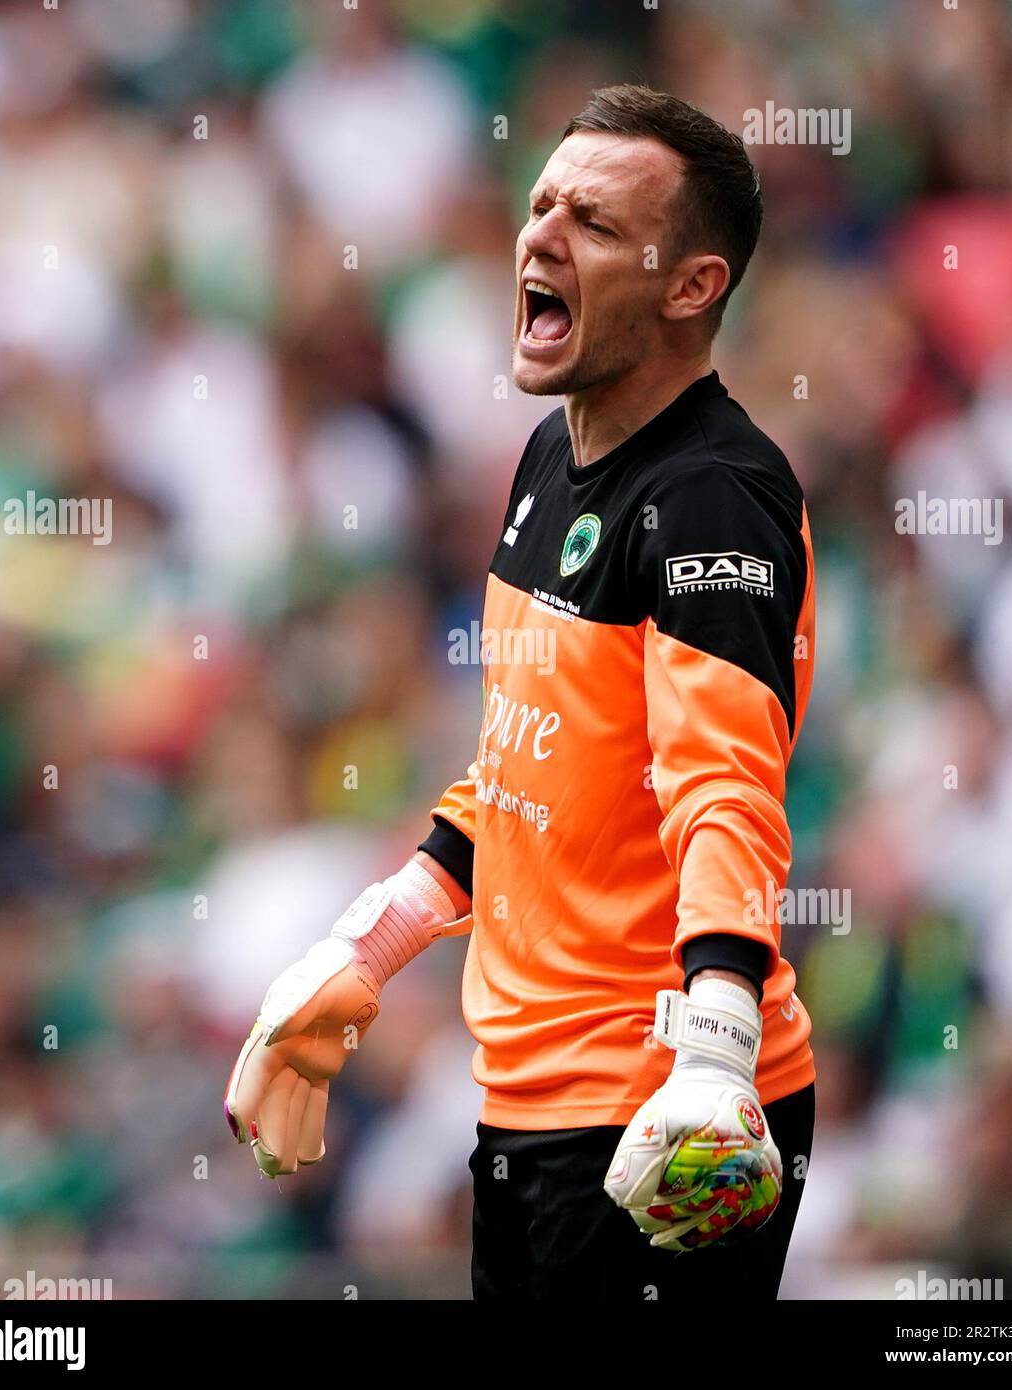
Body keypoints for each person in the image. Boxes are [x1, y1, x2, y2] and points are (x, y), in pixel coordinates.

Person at [225, 84, 817, 1301]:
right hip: (525, 1101)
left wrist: (712, 1046)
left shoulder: (714, 500)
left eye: (593, 224)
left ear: (690, 285)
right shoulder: (551, 457)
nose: (538, 236)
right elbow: (521, 765)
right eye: (539, 203)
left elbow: (723, 797)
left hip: (663, 1116)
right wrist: (367, 944)